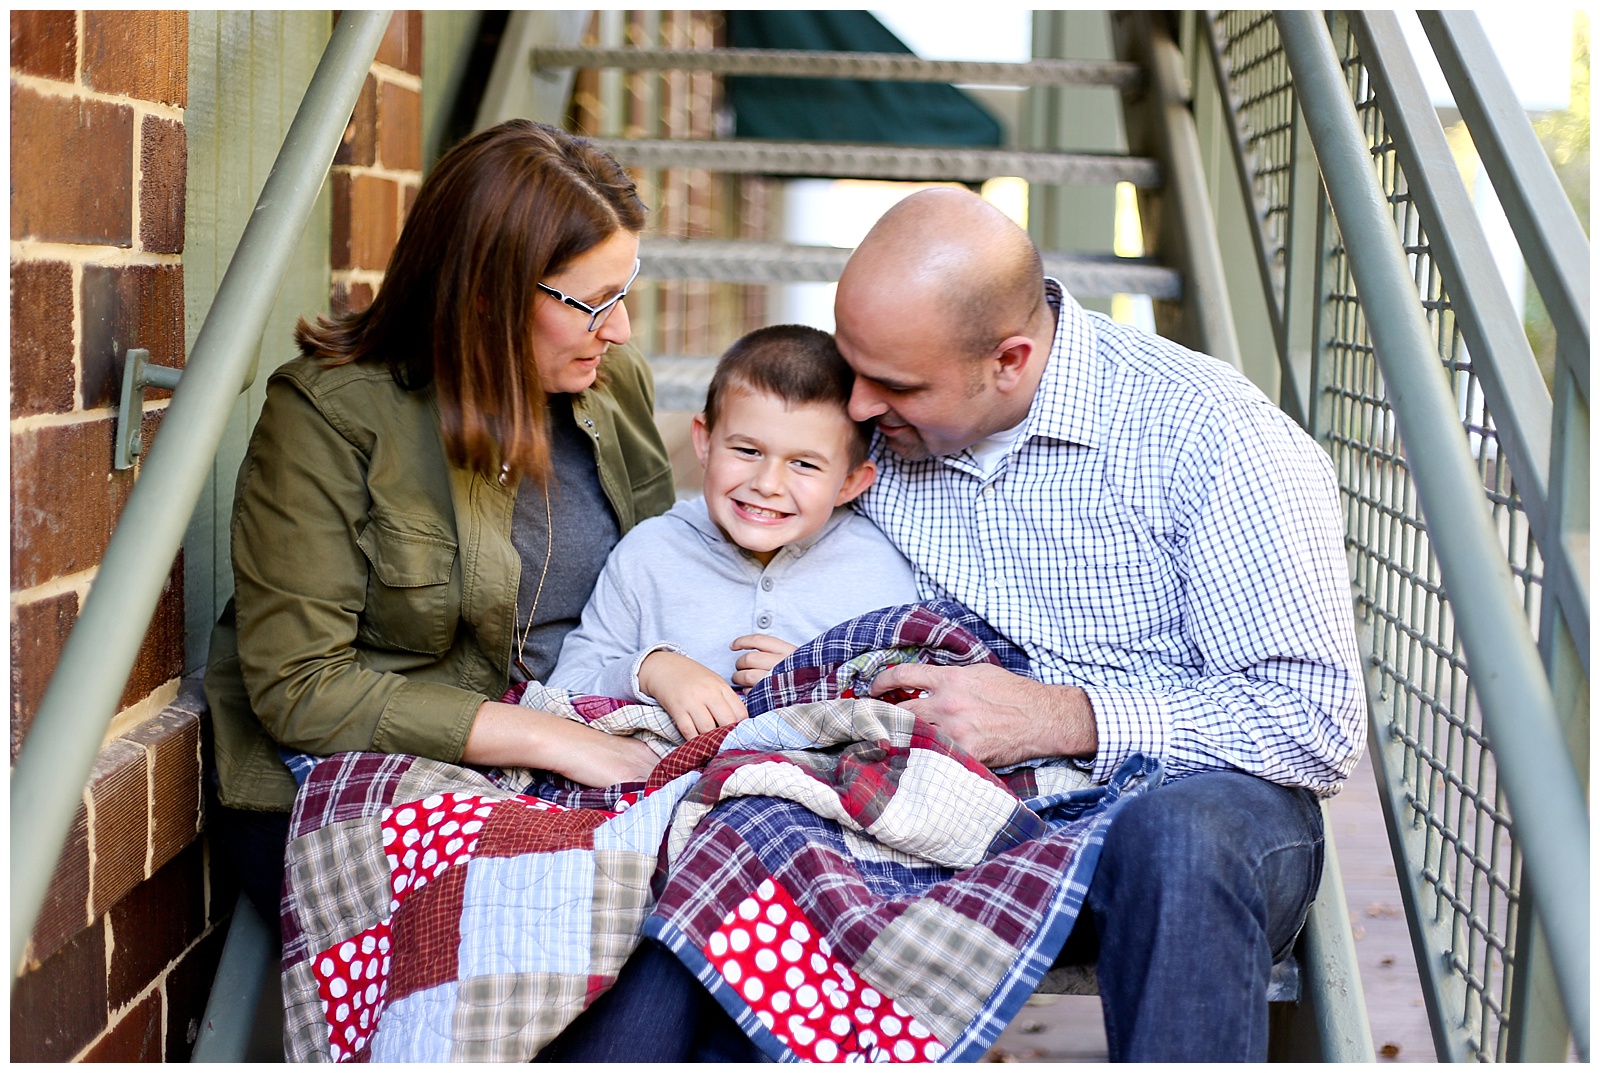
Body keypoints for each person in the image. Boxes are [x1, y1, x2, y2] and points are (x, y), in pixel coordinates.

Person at [831, 188, 1367, 1061]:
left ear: (1009, 358)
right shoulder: (871, 432)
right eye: (849, 363)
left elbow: (1313, 724)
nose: (853, 404)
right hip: (964, 814)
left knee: (1178, 841)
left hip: (1189, 812)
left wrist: (1058, 715)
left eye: (891, 383)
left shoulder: (1214, 435)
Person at [203, 120, 674, 933]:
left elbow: (662, 569)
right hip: (356, 781)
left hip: (581, 752)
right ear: (487, 291)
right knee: (582, 938)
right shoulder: (331, 413)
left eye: (625, 292)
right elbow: (300, 687)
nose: (621, 329)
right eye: (595, 302)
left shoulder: (611, 381)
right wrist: (550, 741)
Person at [545, 323, 919, 737]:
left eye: (804, 464)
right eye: (747, 450)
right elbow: (564, 690)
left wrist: (818, 680)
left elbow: (910, 703)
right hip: (663, 776)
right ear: (704, 442)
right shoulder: (650, 553)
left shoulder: (876, 566)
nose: (767, 483)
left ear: (850, 482)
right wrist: (652, 670)